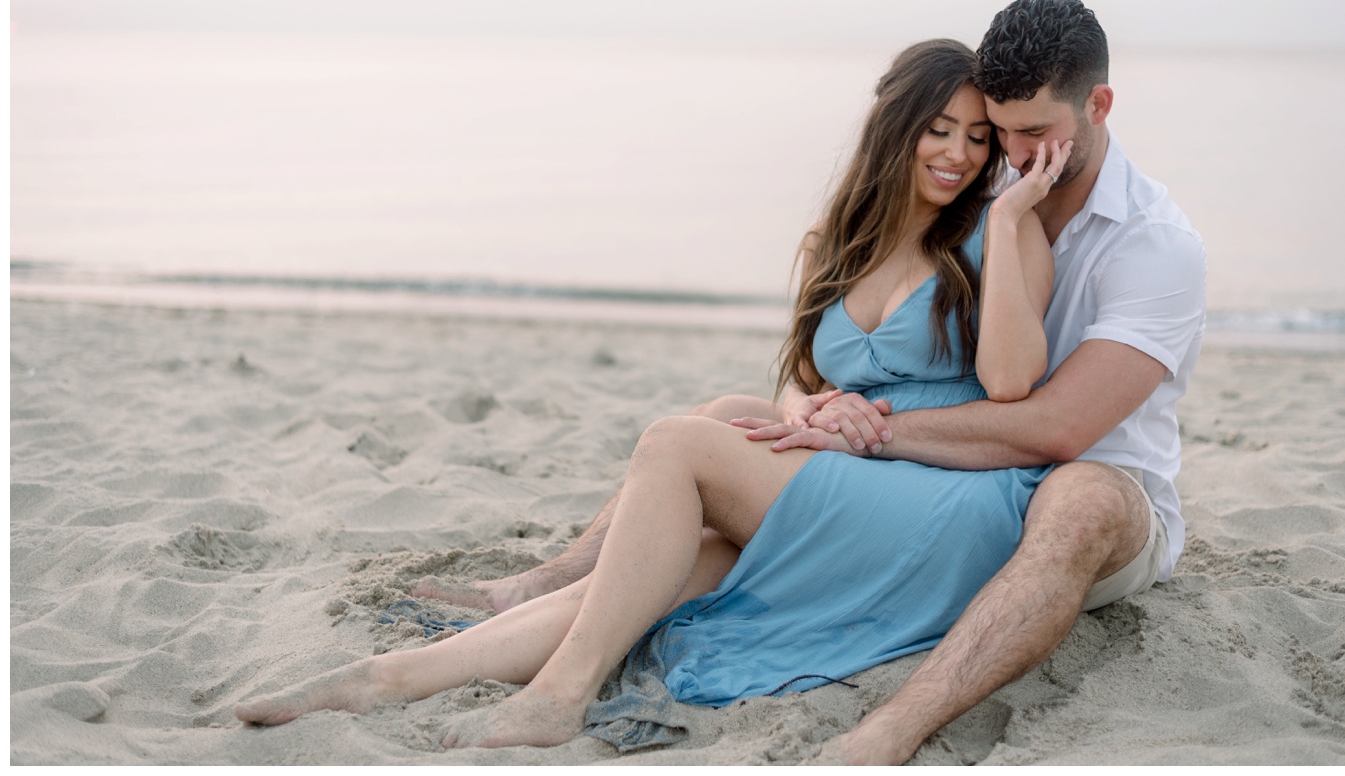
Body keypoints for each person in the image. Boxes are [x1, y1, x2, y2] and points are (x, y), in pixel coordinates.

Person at [392, 0, 1208, 765]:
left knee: (1082, 495)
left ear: (1098, 107)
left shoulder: (1153, 245)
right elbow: (841, 358)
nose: (1008, 155)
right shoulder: (990, 185)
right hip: (957, 461)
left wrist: (873, 429)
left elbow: (1056, 428)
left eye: (1031, 132)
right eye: (1001, 133)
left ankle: (894, 726)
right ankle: (545, 585)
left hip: (1093, 490)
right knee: (728, 417)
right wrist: (812, 408)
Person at [233, 37, 1072, 749]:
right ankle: (394, 676)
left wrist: (1004, 220)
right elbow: (805, 378)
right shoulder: (836, 238)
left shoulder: (998, 232)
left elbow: (1009, 383)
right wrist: (801, 411)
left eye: (974, 139)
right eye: (936, 130)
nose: (957, 155)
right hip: (862, 472)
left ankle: (564, 689)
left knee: (679, 441)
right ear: (894, 129)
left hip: (954, 495)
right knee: (697, 522)